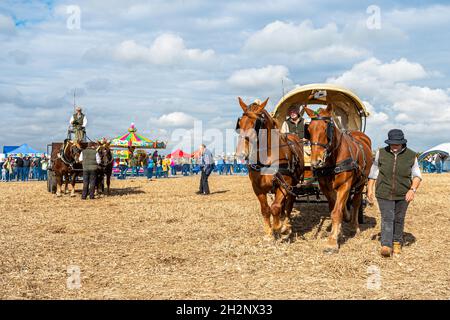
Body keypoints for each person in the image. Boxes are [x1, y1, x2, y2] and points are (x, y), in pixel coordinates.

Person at [367, 129, 422, 258]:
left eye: (397, 144)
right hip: (383, 192)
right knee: (387, 217)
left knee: (399, 218)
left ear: (402, 143)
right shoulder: (381, 153)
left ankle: (397, 242)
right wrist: (370, 188)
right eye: (392, 144)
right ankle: (386, 245)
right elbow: (374, 171)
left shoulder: (411, 155)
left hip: (404, 193)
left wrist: (412, 190)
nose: (394, 147)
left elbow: (417, 176)